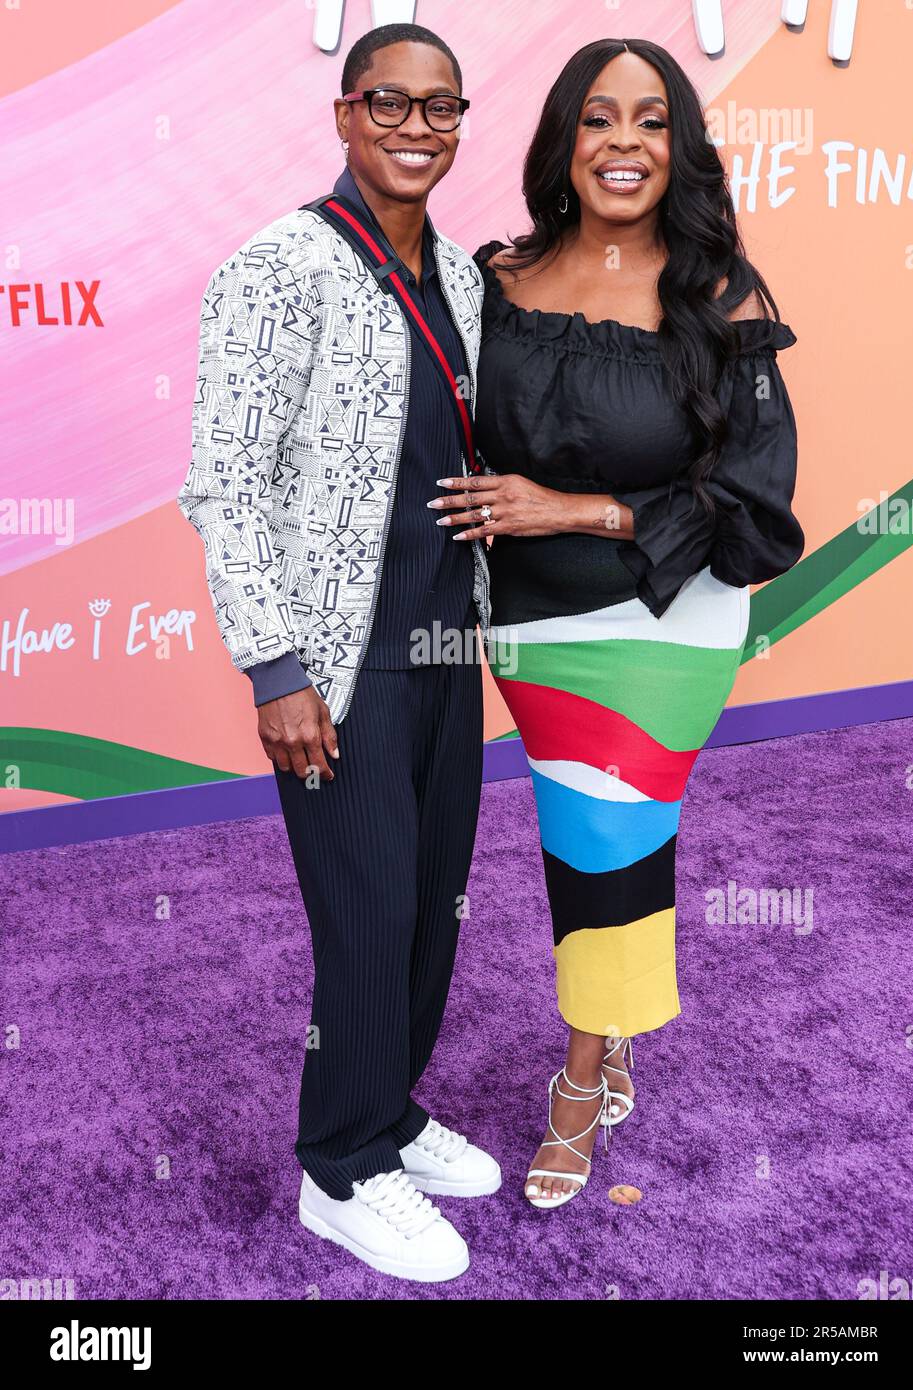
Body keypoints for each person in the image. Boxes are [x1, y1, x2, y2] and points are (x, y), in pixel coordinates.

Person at [430, 38, 804, 1208]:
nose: (624, 143)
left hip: (668, 618)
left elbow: (752, 493)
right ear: (564, 141)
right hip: (529, 626)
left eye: (651, 120)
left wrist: (570, 508)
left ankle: (581, 1079)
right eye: (599, 119)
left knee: (597, 841)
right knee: (605, 841)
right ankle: (619, 1021)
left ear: (679, 145)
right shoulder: (492, 279)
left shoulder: (719, 298)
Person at [177, 23, 499, 1282]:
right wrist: (276, 666)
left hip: (443, 643)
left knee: (429, 910)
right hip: (337, 658)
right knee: (364, 914)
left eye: (440, 107)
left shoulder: (463, 278)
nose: (416, 128)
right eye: (390, 104)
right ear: (345, 116)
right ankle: (340, 1168)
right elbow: (226, 483)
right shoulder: (278, 267)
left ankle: (391, 1109)